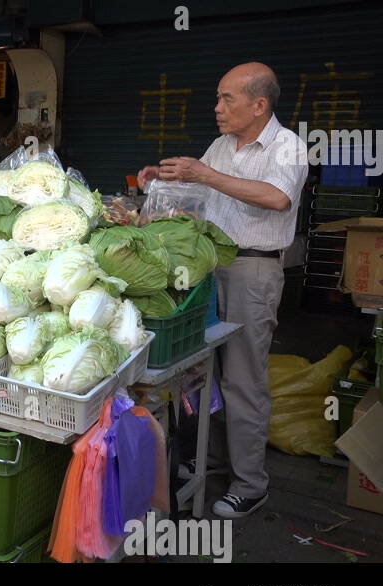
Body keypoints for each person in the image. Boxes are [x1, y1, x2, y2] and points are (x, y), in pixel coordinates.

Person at [137, 62, 308, 518]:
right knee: (204, 373)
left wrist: (204, 174)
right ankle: (214, 458)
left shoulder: (287, 146)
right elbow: (199, 197)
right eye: (217, 98)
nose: (217, 108)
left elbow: (276, 197)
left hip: (253, 272)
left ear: (259, 104)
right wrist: (165, 179)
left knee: (243, 378)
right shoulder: (220, 145)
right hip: (211, 269)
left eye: (226, 99)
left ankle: (251, 483)